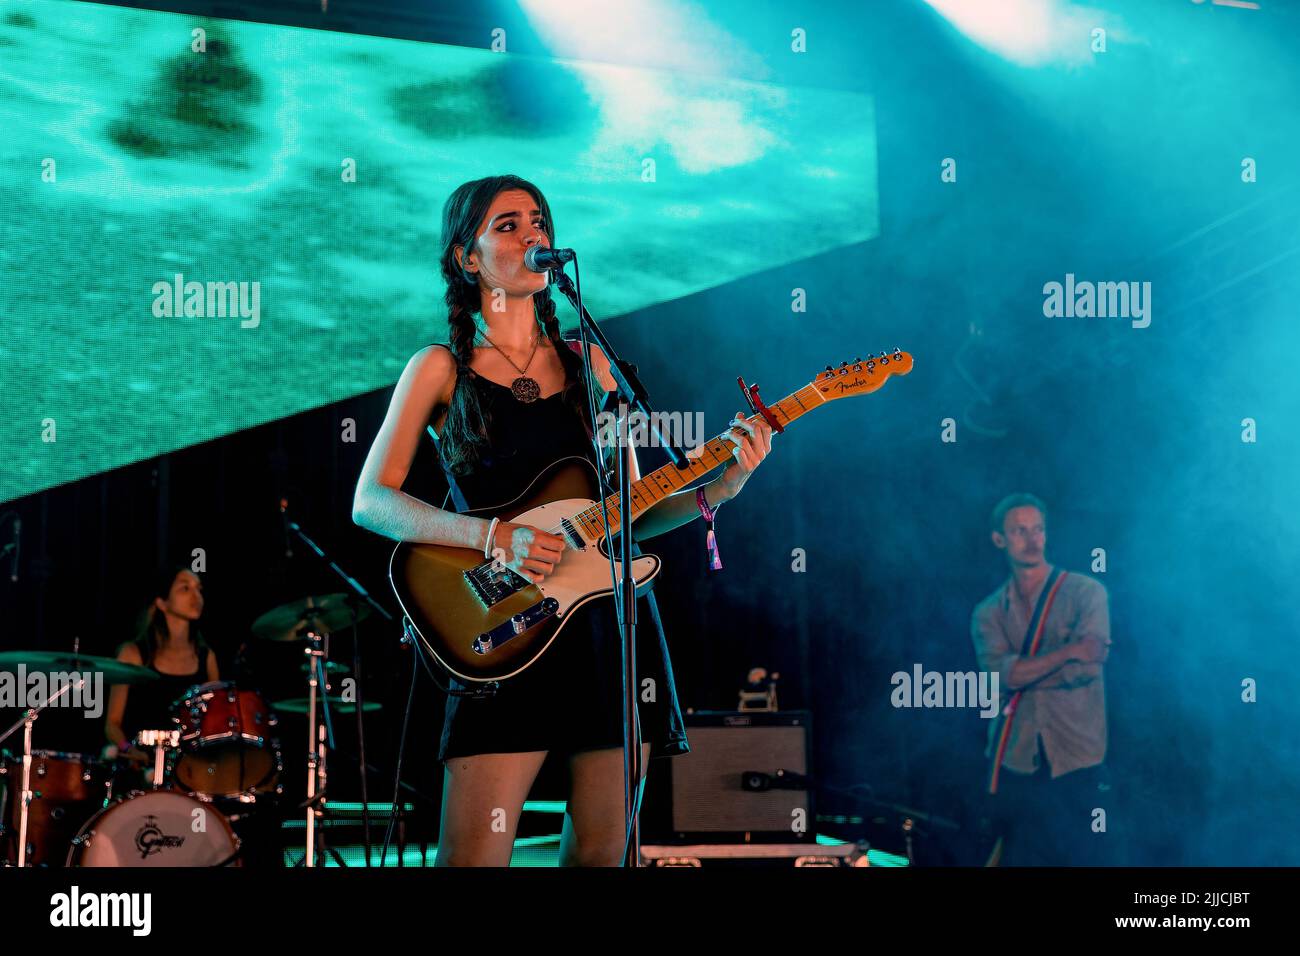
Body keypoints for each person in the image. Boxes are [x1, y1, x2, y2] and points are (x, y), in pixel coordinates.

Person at [353, 174, 773, 866]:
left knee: (604, 856)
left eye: (539, 221)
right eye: (508, 225)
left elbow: (629, 512)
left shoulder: (592, 366)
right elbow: (372, 501)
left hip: (605, 630)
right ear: (466, 258)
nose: (533, 236)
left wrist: (720, 486)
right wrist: (493, 536)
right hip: (499, 627)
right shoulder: (439, 368)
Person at [971, 493, 1113, 866]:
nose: (1033, 539)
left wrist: (1020, 672)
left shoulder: (1086, 592)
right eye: (1020, 531)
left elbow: (1087, 669)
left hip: (1077, 756)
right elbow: (999, 676)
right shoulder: (988, 611)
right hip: (1015, 759)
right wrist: (1067, 652)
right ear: (999, 539)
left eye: (1038, 530)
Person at [104, 565, 219, 764]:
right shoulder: (133, 654)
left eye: (199, 589)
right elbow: (112, 724)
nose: (196, 596)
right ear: (162, 603)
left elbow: (216, 721)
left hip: (188, 768)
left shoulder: (206, 657)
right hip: (141, 767)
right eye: (185, 588)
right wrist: (127, 749)